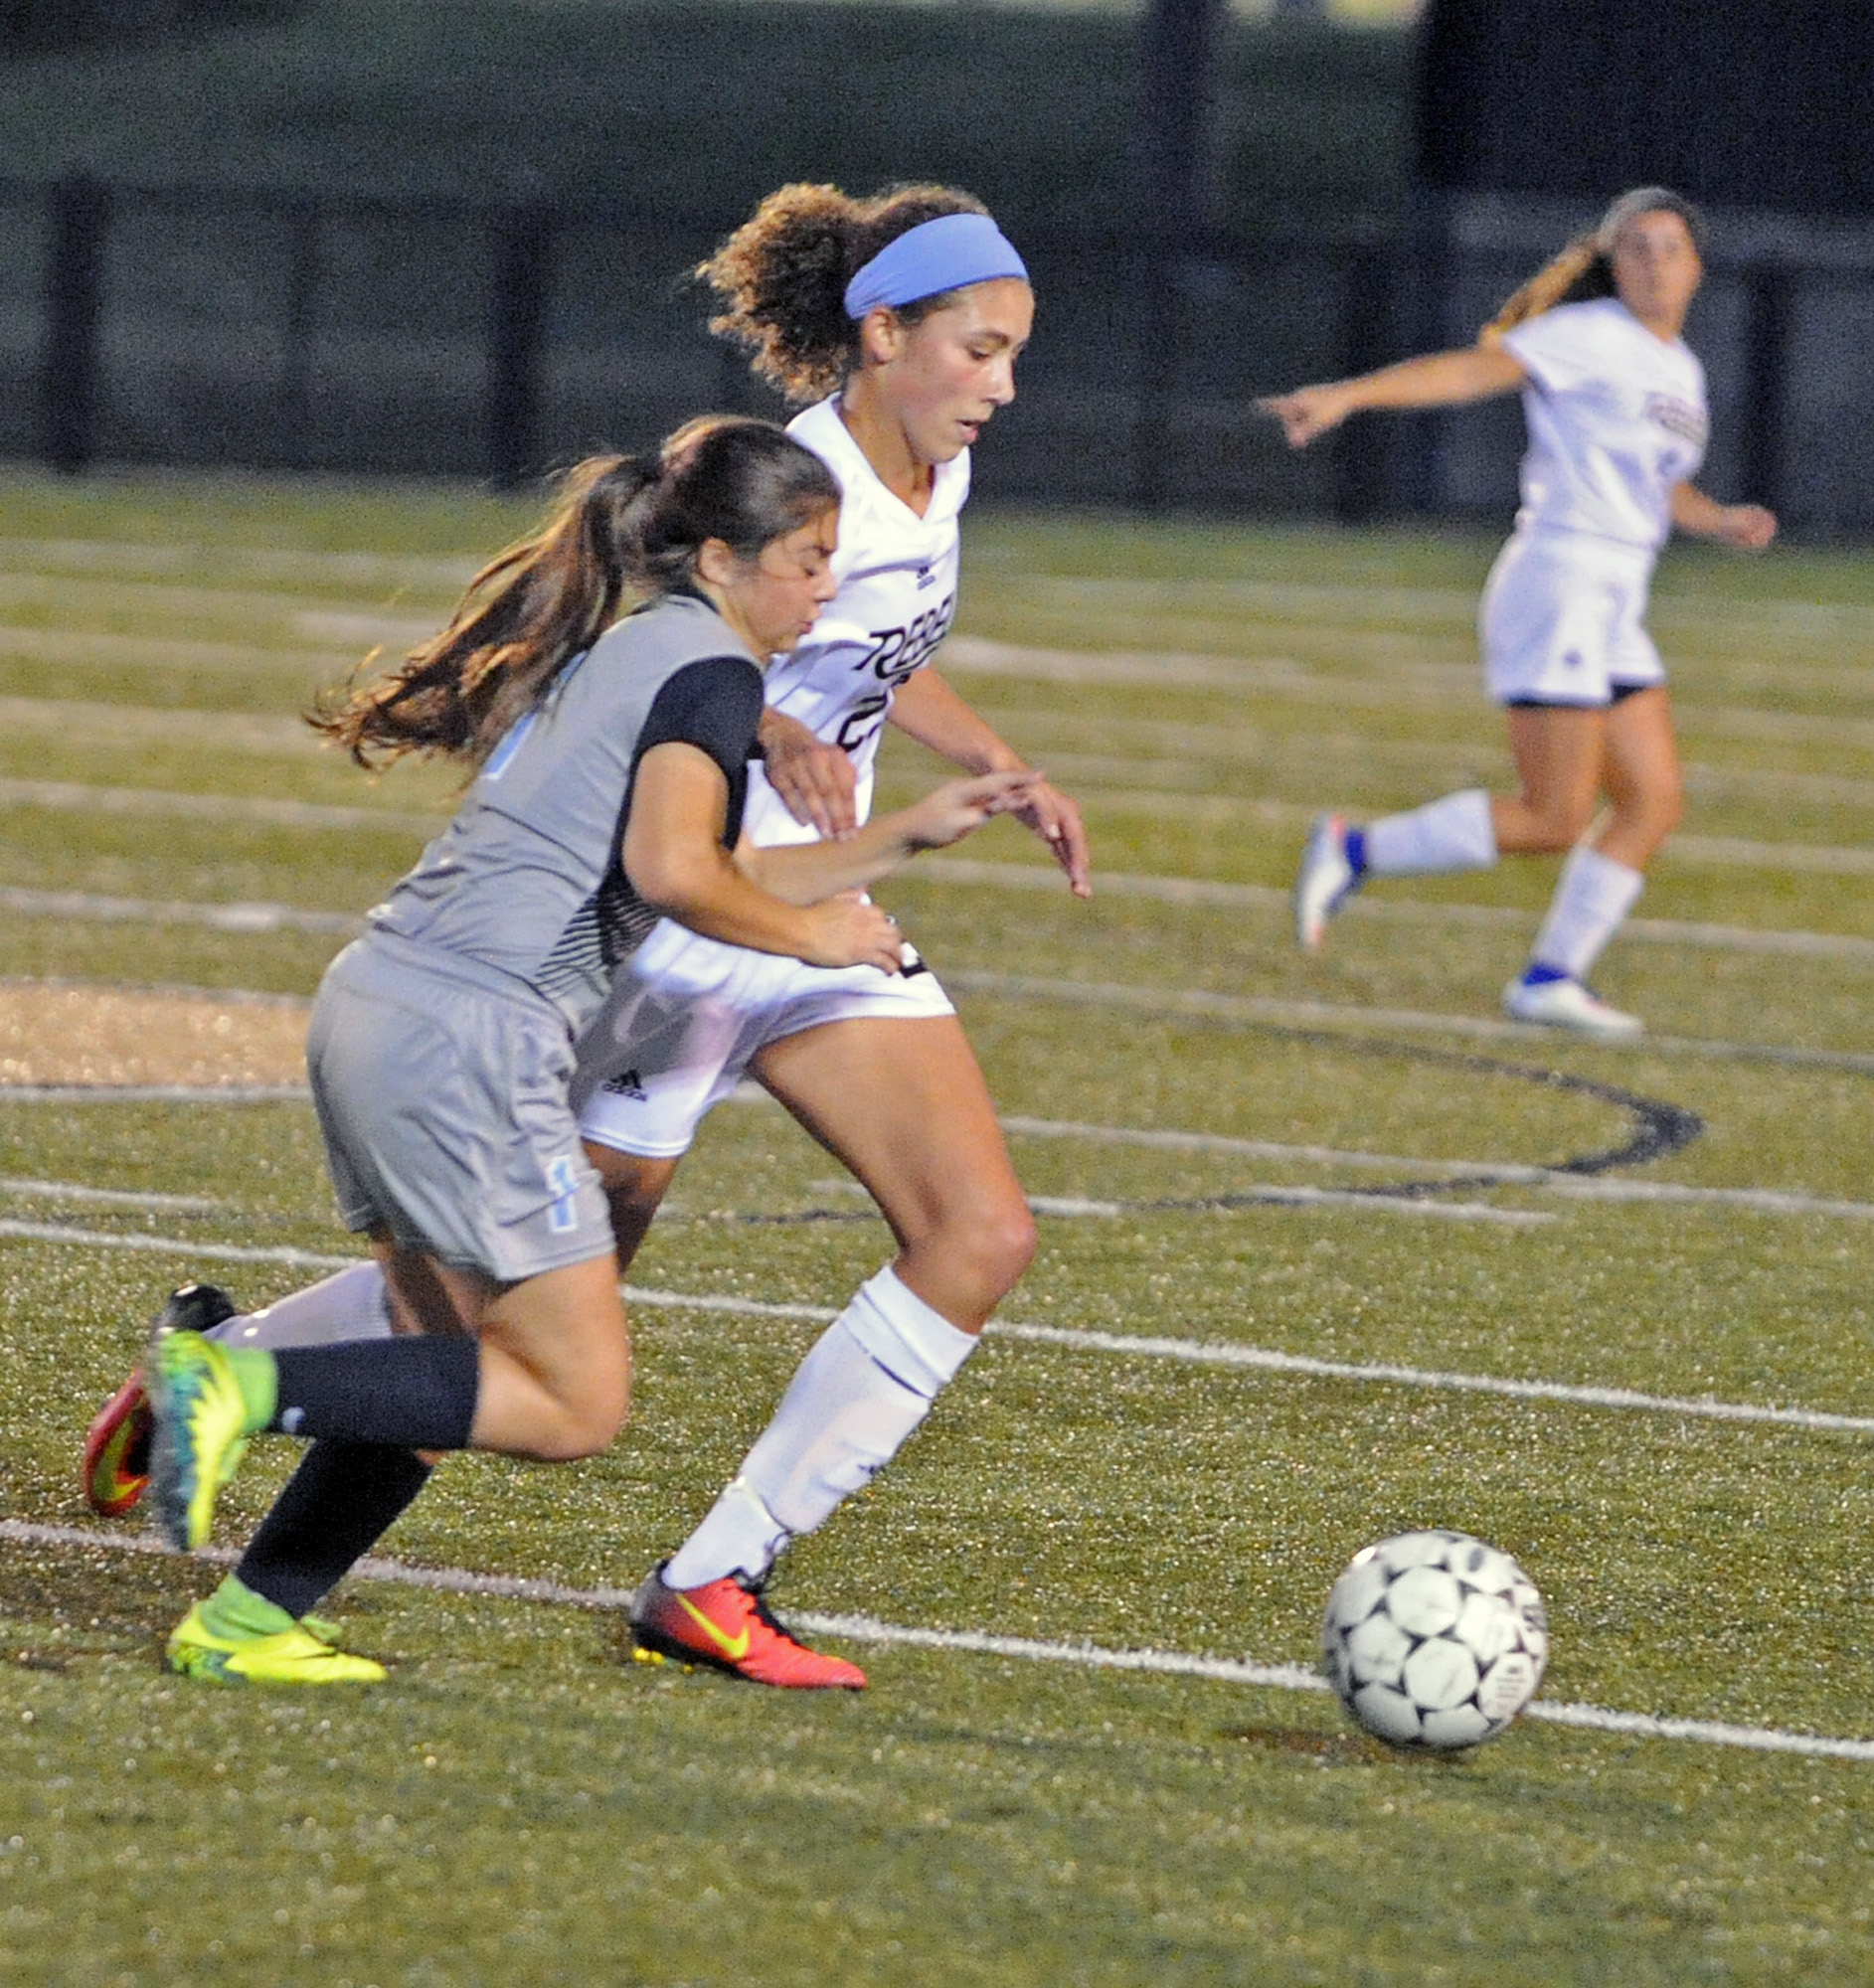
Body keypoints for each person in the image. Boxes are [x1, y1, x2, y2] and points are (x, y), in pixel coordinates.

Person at [86, 183, 1088, 1692]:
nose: (1004, 386)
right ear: (884, 336)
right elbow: (725, 711)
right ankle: (242, 1493)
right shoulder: (796, 496)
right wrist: (784, 745)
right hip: (687, 942)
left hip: (810, 914)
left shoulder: (926, 484)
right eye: (984, 351)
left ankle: (715, 1575)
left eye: (1015, 353)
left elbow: (885, 653)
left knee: (980, 1231)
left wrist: (984, 766)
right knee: (517, 1329)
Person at [1268, 187, 1777, 1039]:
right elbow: (1474, 369)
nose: (1654, 259)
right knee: (1553, 817)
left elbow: (1658, 485)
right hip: (1561, 582)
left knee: (1651, 800)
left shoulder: (1677, 368)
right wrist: (1351, 395)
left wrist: (1715, 518)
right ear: (1613, 264)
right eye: (1637, 246)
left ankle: (1550, 978)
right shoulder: (1588, 337)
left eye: (1669, 246)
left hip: (1615, 597)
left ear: (1695, 265)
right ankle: (1353, 850)